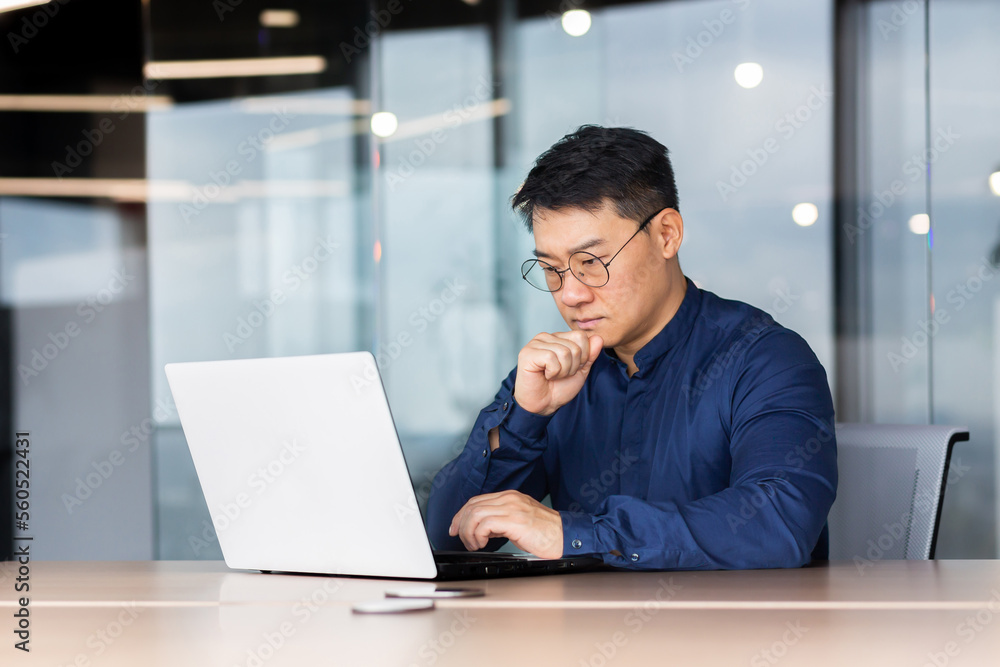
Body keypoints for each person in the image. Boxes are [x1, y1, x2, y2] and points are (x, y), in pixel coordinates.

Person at [426, 125, 837, 570]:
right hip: (581, 635)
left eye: (590, 263)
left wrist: (573, 533)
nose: (570, 294)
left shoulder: (766, 360)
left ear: (666, 234)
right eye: (550, 268)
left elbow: (778, 523)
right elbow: (443, 537)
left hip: (730, 635)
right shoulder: (555, 373)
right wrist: (525, 419)